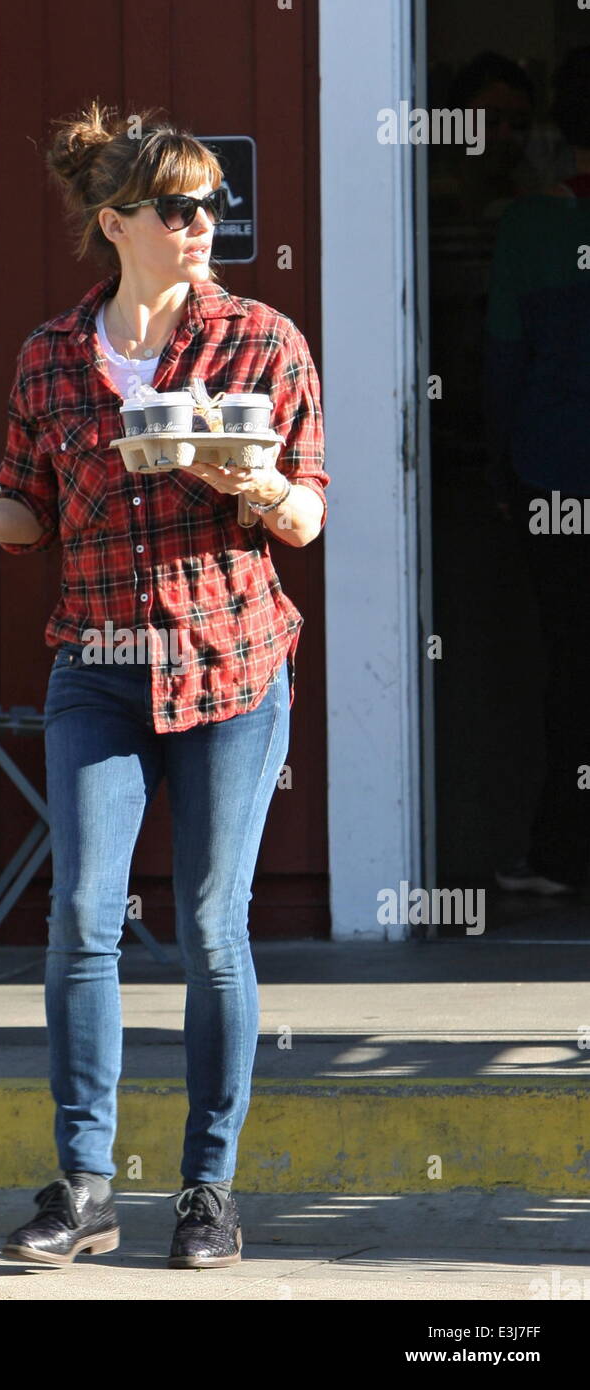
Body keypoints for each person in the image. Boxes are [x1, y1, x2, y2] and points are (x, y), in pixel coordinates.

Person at [0, 102, 328, 1269]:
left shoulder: (262, 341)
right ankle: (85, 1188)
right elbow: (28, 512)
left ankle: (208, 1190)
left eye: (212, 206)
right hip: (96, 666)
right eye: (178, 207)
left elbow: (305, 514)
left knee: (210, 925)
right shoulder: (51, 354)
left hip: (230, 665)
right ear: (116, 222)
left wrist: (239, 476)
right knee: (84, 915)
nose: (202, 224)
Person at [483, 49, 590, 895]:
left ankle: (564, 851)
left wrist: (494, 470)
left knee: (571, 660)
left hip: (555, 471)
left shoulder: (529, 227)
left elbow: (501, 366)